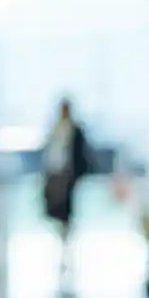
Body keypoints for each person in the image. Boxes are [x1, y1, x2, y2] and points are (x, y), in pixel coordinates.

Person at [42, 98, 92, 273]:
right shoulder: (56, 130)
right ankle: (62, 250)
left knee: (67, 217)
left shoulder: (74, 130)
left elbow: (80, 157)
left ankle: (67, 251)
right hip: (56, 179)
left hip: (68, 180)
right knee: (59, 216)